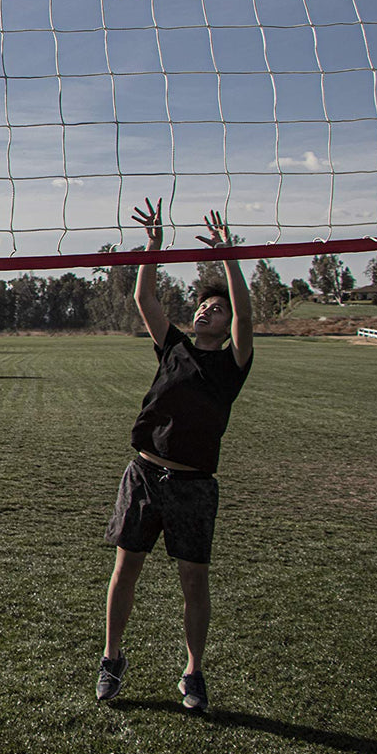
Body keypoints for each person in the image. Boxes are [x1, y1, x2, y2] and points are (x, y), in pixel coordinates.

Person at [96, 201, 253, 713]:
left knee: (193, 579)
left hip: (193, 484)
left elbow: (247, 313)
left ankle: (193, 672)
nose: (207, 310)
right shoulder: (175, 348)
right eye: (204, 305)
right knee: (126, 569)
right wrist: (153, 247)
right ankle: (112, 658)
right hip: (143, 473)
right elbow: (145, 297)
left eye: (218, 308)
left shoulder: (232, 363)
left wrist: (227, 255)